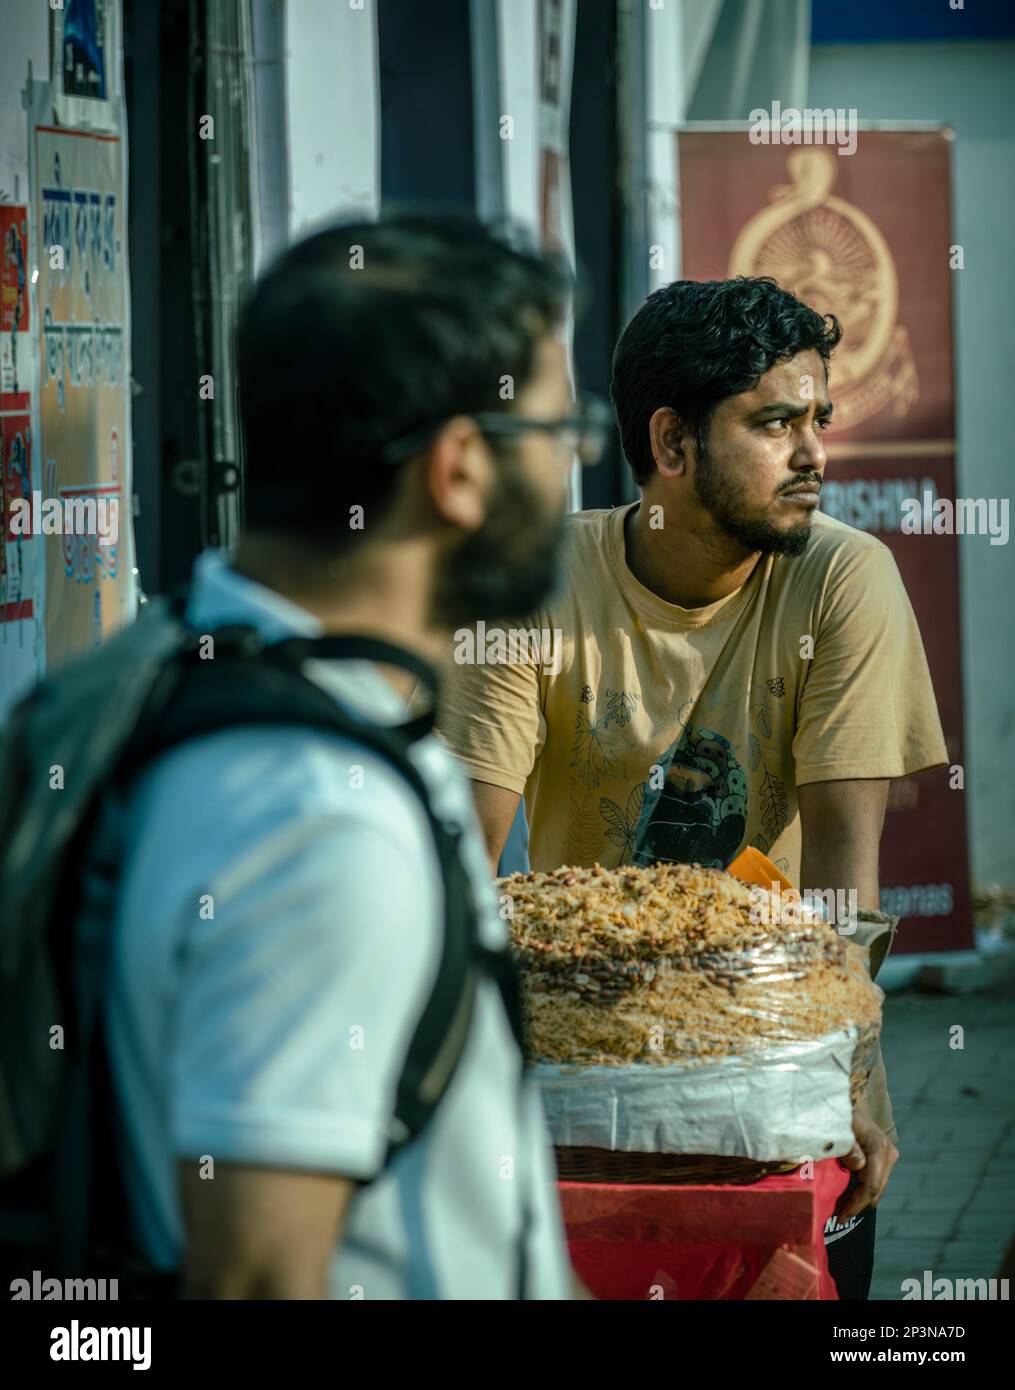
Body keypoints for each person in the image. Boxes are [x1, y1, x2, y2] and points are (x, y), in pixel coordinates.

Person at [104, 212, 609, 1298]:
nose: (576, 466)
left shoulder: (182, 669)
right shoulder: (319, 818)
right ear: (462, 466)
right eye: (564, 432)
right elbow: (256, 1277)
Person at [438, 275, 950, 1300]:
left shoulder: (843, 579)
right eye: (774, 424)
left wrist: (851, 1078)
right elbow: (460, 861)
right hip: (580, 1061)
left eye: (818, 419)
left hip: (775, 1054)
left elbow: (846, 875)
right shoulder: (535, 582)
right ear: (671, 445)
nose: (813, 455)